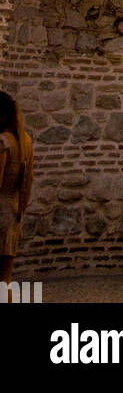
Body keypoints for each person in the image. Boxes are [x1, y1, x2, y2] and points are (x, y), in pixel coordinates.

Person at [0, 91, 34, 295]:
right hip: (13, 212)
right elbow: (28, 182)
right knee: (5, 280)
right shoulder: (25, 141)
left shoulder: (3, 142)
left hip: (1, 210)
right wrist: (20, 210)